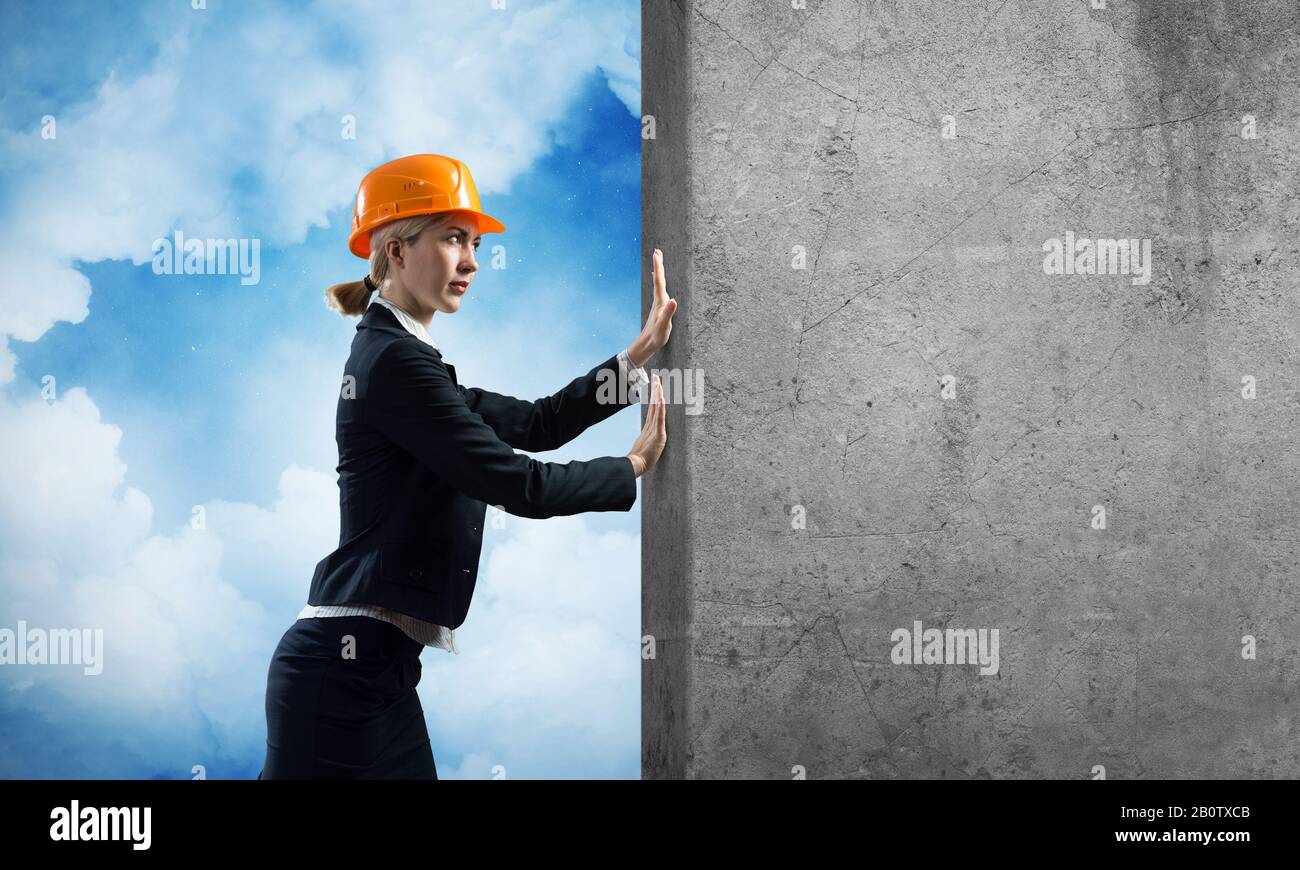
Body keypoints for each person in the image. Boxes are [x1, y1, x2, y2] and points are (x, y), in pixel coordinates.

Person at [259, 153, 674, 778]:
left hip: (377, 673)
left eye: (474, 243)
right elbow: (518, 483)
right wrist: (631, 466)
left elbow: (538, 423)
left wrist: (633, 358)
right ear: (396, 251)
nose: (473, 261)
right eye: (454, 238)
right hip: (338, 679)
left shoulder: (409, 360)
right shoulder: (395, 366)